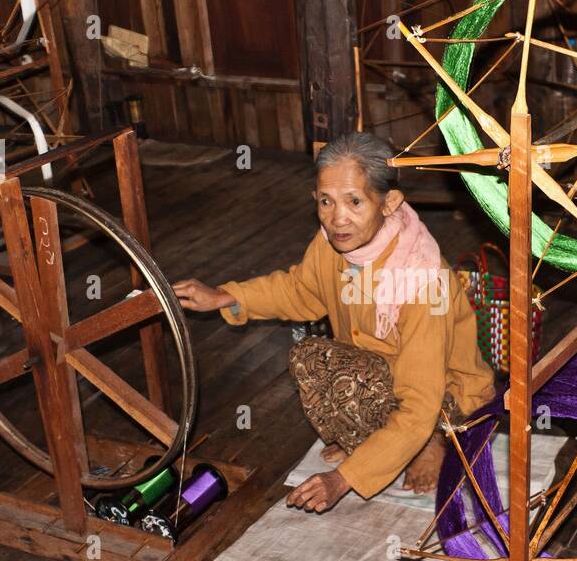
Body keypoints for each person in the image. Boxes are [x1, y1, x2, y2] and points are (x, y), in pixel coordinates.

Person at [175, 132, 496, 514]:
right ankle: (373, 439)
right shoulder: (333, 242)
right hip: (382, 374)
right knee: (309, 357)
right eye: (326, 201)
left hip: (445, 398)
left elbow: (418, 405)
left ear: (389, 202)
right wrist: (224, 297)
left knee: (415, 412)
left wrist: (344, 478)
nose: (337, 218)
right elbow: (301, 290)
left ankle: (432, 444)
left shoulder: (423, 281)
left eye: (354, 202)